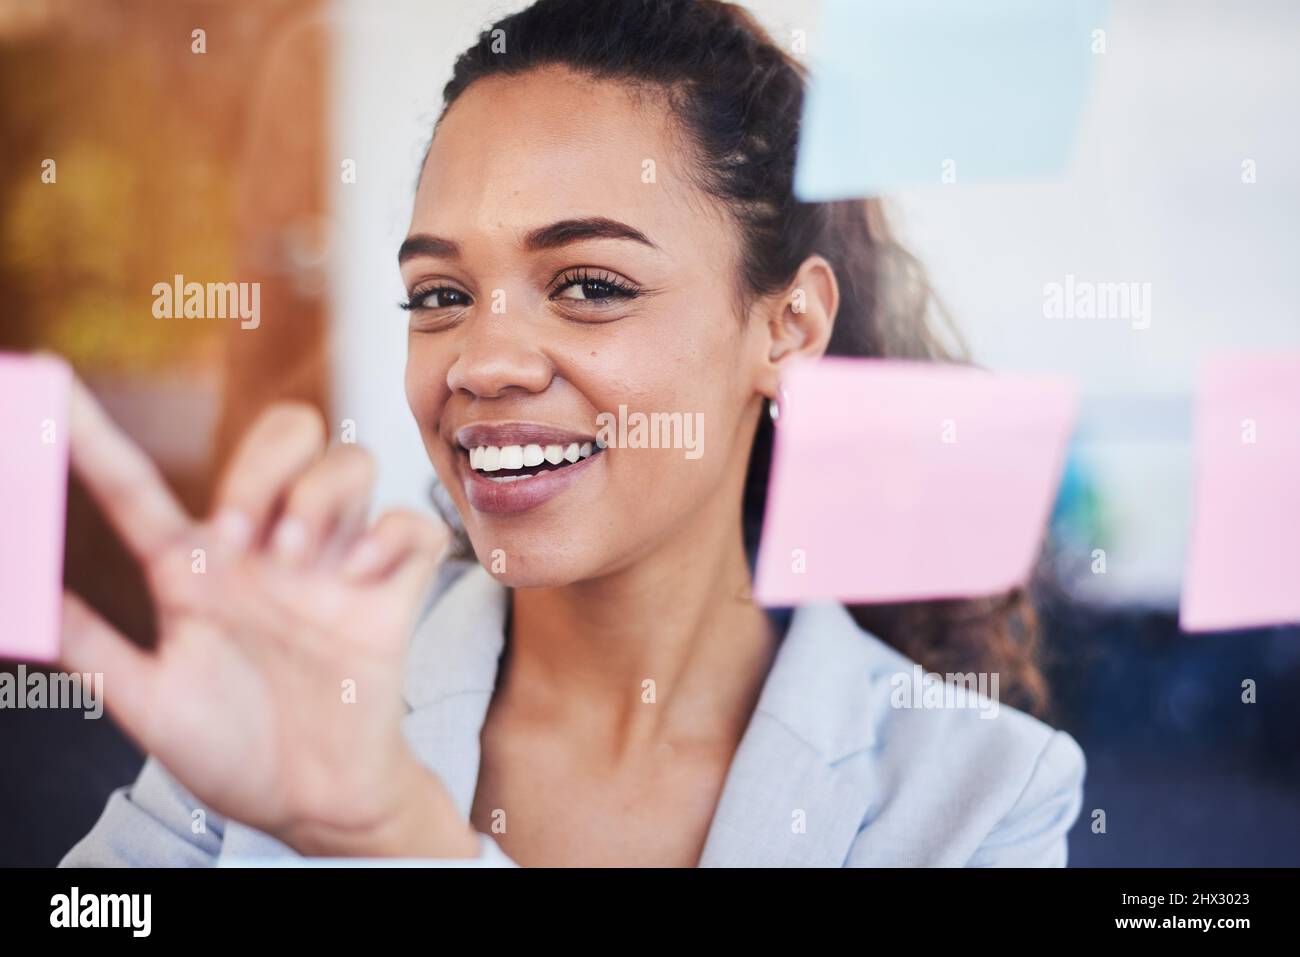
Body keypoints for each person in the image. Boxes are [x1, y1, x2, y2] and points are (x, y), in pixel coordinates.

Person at [61, 0, 1084, 867]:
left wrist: (412, 844)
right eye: (440, 293)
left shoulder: (981, 795)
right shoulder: (299, 687)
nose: (481, 360)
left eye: (590, 285)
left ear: (787, 327)